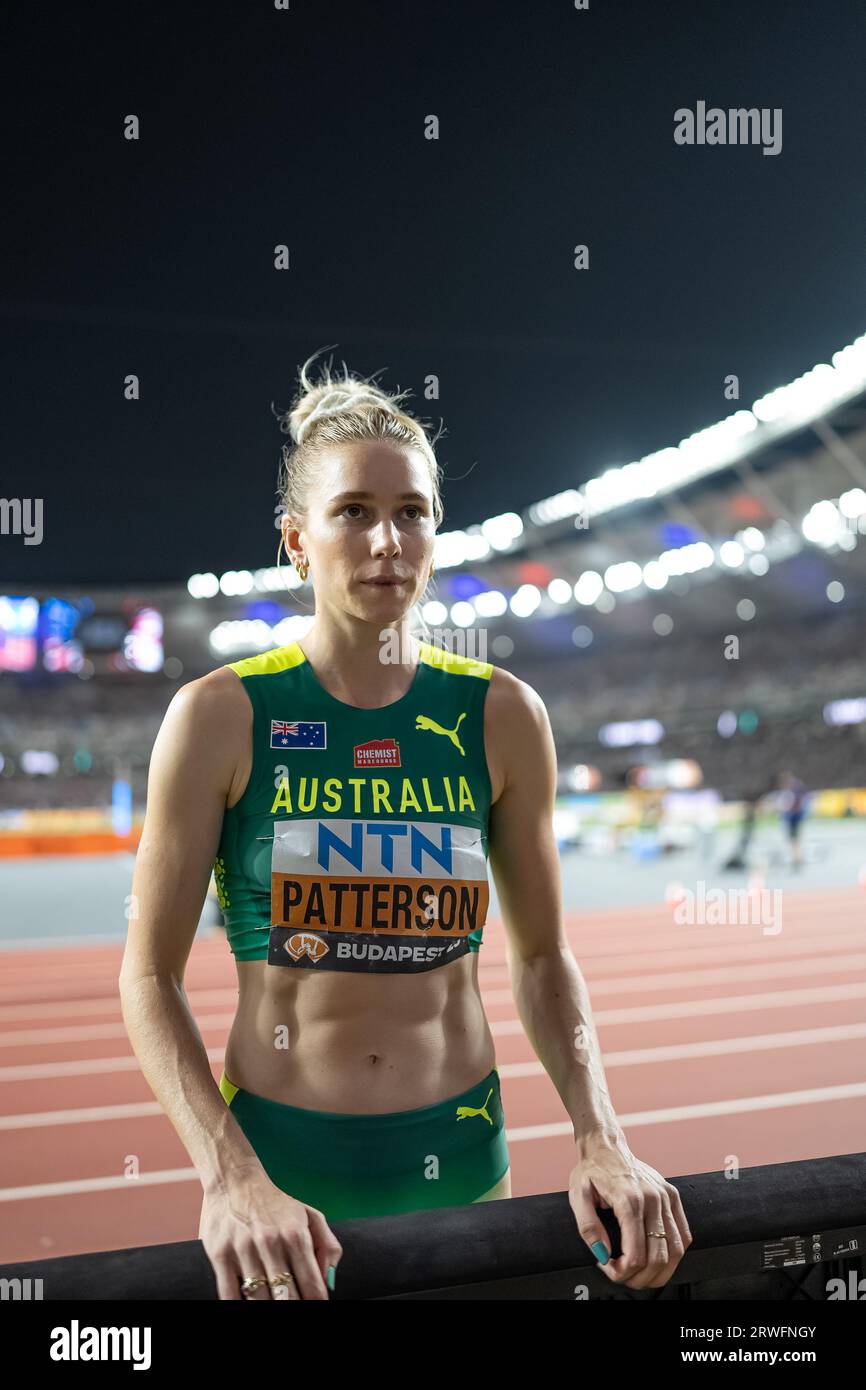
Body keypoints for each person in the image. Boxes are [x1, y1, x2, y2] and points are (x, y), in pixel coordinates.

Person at [119, 349, 691, 1302]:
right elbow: (147, 975)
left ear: (434, 530)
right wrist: (229, 1176)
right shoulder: (220, 715)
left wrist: (601, 1136)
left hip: (463, 1153)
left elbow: (544, 960)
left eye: (411, 512)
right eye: (353, 513)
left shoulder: (502, 715)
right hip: (284, 1175)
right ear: (297, 541)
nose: (387, 539)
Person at [777, 770, 808, 870]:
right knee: (794, 839)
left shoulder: (795, 789)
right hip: (793, 817)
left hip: (794, 817)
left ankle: (797, 858)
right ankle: (797, 857)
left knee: (794, 839)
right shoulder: (792, 788)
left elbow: (791, 804)